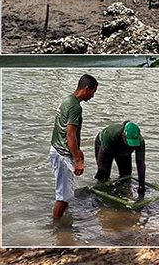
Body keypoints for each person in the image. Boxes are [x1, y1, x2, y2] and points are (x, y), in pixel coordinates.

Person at [50, 73, 98, 219]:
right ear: (87, 89)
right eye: (93, 92)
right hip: (62, 153)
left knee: (66, 192)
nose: (93, 96)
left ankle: (63, 220)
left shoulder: (67, 100)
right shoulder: (75, 107)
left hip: (57, 149)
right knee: (63, 196)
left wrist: (77, 152)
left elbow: (63, 129)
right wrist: (78, 160)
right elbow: (70, 135)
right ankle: (57, 228)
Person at [94, 121, 146, 196]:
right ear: (123, 135)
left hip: (123, 150)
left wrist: (141, 185)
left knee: (126, 176)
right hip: (105, 145)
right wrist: (101, 170)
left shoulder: (140, 141)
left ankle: (123, 193)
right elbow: (102, 156)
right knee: (104, 174)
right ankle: (102, 198)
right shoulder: (111, 134)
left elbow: (140, 163)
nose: (131, 146)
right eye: (129, 142)